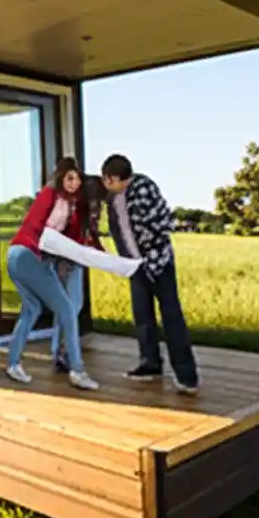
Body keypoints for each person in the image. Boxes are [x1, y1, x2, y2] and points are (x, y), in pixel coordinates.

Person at [100, 154, 200, 395]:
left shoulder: (144, 188)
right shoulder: (113, 197)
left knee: (171, 316)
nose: (104, 184)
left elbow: (161, 223)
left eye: (106, 180)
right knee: (143, 316)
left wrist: (147, 256)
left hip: (158, 263)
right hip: (136, 265)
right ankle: (150, 364)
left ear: (114, 178)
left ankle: (187, 377)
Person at [5, 157, 100, 391]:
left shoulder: (70, 205)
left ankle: (13, 363)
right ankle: (77, 370)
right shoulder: (49, 194)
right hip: (29, 254)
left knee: (31, 309)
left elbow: (74, 238)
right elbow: (37, 225)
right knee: (67, 308)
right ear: (60, 177)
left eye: (77, 179)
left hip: (19, 256)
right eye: (69, 177)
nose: (74, 182)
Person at [50, 174, 107, 373]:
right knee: (72, 305)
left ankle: (59, 350)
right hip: (67, 261)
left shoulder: (74, 206)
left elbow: (90, 235)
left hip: (68, 260)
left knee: (67, 305)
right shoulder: (75, 211)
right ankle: (63, 352)